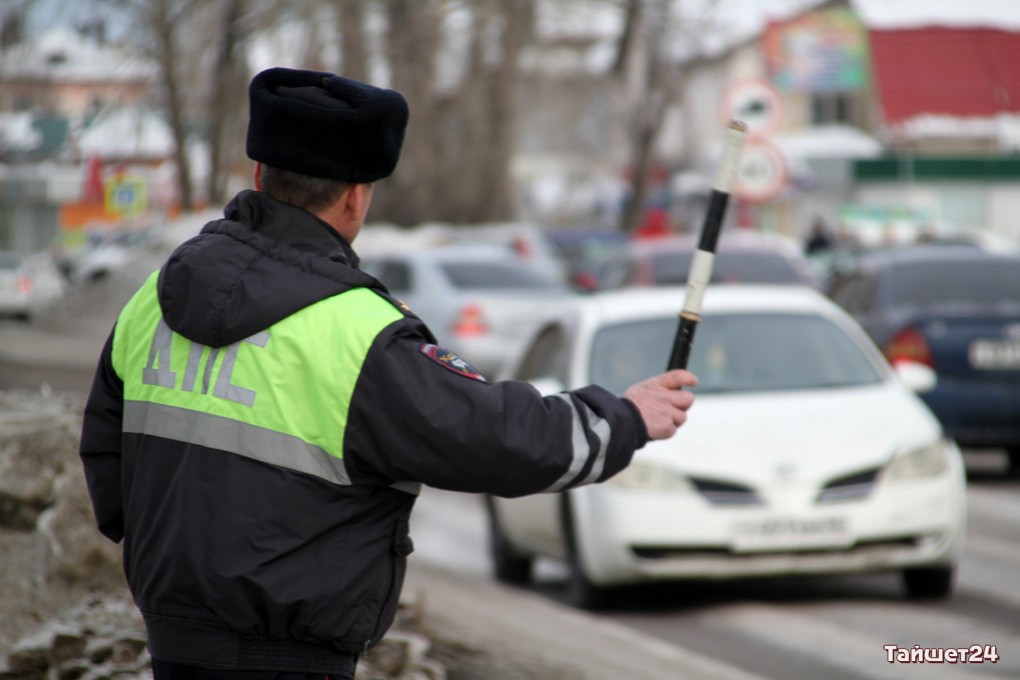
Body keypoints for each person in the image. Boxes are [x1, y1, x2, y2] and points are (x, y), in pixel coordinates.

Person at [78, 67, 698, 680]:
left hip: (175, 646)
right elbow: (497, 440)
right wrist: (625, 418)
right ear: (355, 197)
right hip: (295, 660)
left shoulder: (154, 297)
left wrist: (178, 562)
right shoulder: (357, 333)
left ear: (260, 174)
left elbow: (106, 454)